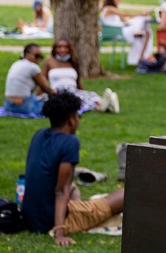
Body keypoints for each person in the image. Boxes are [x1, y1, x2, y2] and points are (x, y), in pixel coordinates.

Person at [22, 92, 125, 245]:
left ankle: (78, 209)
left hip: (30, 216)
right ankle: (77, 216)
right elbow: (61, 190)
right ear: (71, 120)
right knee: (129, 194)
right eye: (78, 116)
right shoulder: (70, 142)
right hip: (48, 221)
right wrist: (59, 232)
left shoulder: (39, 135)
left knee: (73, 188)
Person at [43, 39, 118, 113]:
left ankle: (104, 105)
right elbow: (43, 79)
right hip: (58, 91)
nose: (62, 50)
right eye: (59, 47)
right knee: (71, 101)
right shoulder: (49, 61)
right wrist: (41, 93)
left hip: (73, 90)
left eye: (65, 47)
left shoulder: (73, 61)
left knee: (90, 95)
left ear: (69, 49)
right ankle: (106, 106)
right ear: (55, 49)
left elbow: (78, 80)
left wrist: (83, 92)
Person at [100, 0, 152, 65]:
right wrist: (141, 14)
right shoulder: (109, 8)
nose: (119, 0)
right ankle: (137, 31)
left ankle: (141, 57)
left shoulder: (113, 9)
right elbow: (124, 14)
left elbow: (124, 18)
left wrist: (128, 21)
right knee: (141, 20)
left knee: (146, 33)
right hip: (117, 32)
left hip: (119, 30)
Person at [5, 44, 56, 115]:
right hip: (24, 106)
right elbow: (45, 88)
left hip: (8, 105)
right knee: (54, 105)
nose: (39, 59)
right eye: (37, 56)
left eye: (41, 57)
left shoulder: (16, 63)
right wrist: (59, 96)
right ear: (26, 54)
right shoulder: (33, 67)